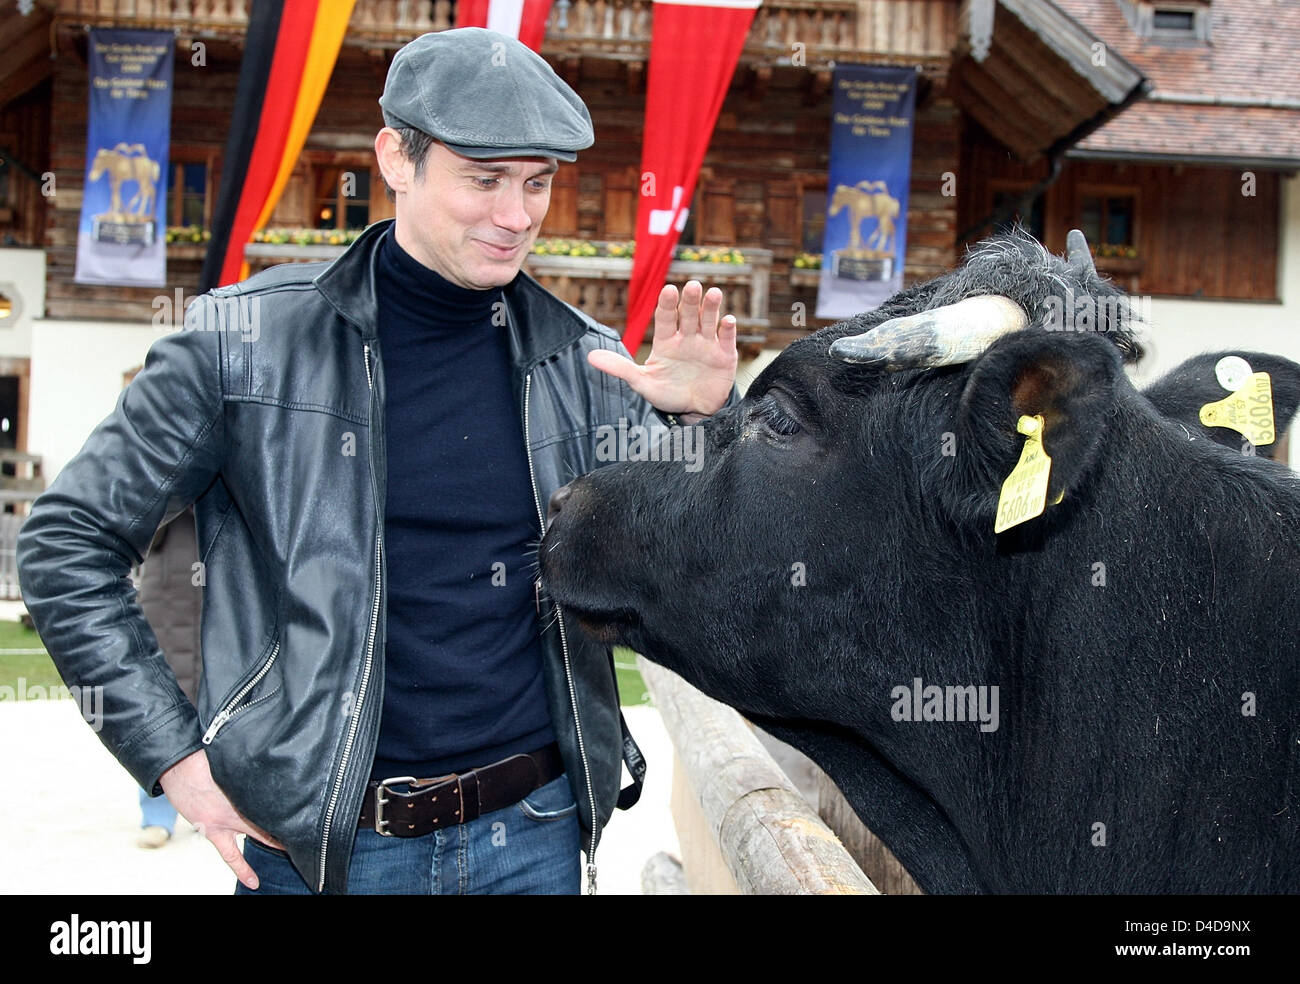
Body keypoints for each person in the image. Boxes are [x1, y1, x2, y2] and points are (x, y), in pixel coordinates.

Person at [17, 27, 738, 894]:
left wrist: (706, 426)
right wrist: (172, 759)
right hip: (324, 852)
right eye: (483, 179)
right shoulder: (240, 344)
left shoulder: (583, 363)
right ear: (396, 157)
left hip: (536, 837)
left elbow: (706, 575)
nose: (517, 216)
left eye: (536, 183)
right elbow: (66, 541)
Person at [134, 507, 204, 848]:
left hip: (210, 601)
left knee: (217, 709)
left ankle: (208, 807)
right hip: (165, 601)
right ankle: (157, 814)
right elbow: (138, 529)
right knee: (163, 709)